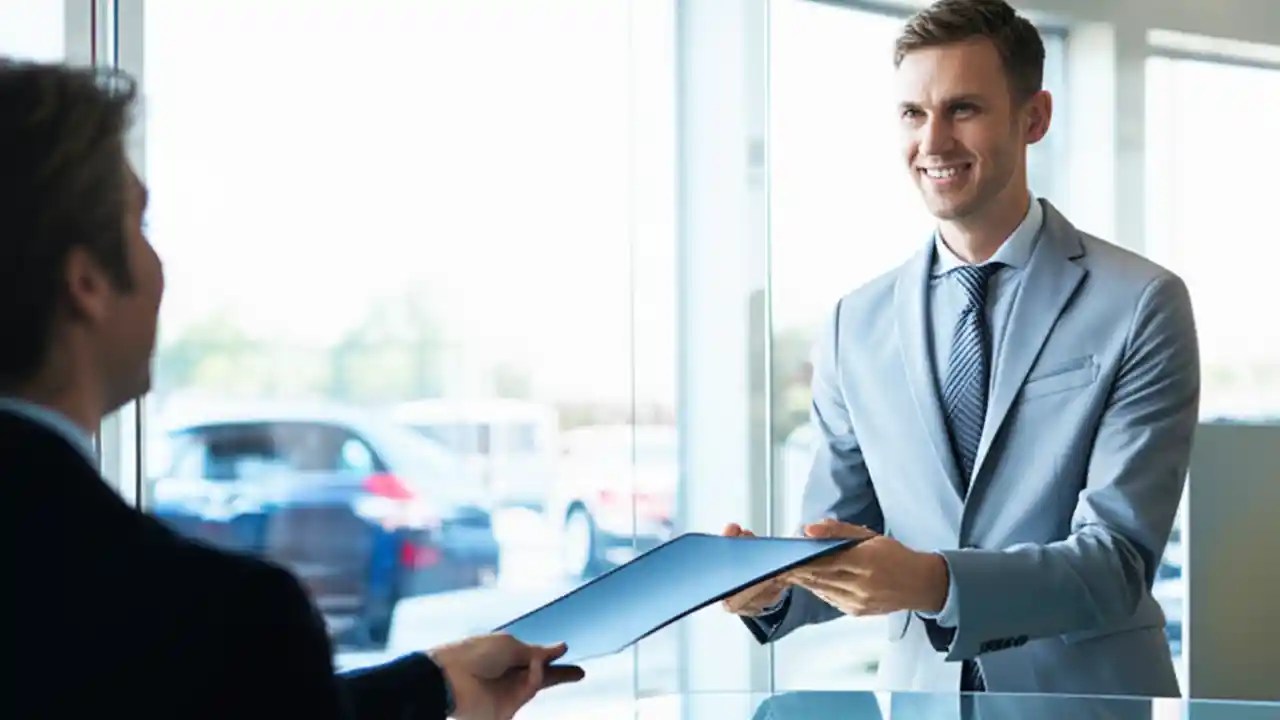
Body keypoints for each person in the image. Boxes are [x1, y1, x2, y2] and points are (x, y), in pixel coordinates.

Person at [3, 60, 583, 720]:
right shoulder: (220, 619)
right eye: (142, 227)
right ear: (87, 283)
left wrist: (435, 684)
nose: (159, 267)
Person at [722, 0, 1199, 697]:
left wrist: (934, 581)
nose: (934, 140)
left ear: (1034, 118)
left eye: (963, 109)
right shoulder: (855, 323)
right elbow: (844, 545)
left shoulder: (1140, 302)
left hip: (1086, 703)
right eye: (913, 113)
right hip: (921, 703)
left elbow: (1116, 561)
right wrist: (772, 587)